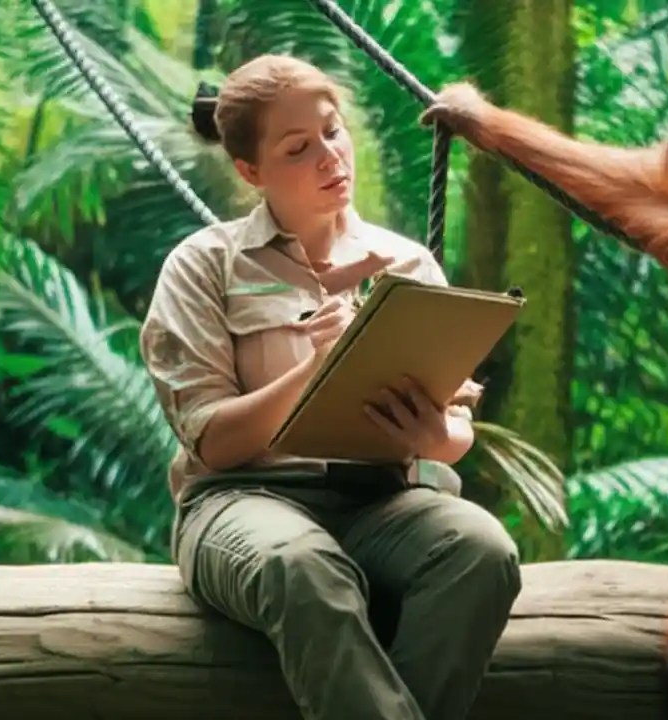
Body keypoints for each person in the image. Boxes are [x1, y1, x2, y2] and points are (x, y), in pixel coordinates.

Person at [138, 54, 522, 720]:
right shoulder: (202, 266)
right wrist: (315, 369)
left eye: (333, 131)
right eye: (298, 147)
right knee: (303, 565)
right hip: (239, 501)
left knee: (482, 553)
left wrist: (437, 437)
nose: (329, 156)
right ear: (250, 171)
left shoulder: (407, 263)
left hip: (384, 502)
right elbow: (214, 442)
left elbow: (454, 428)